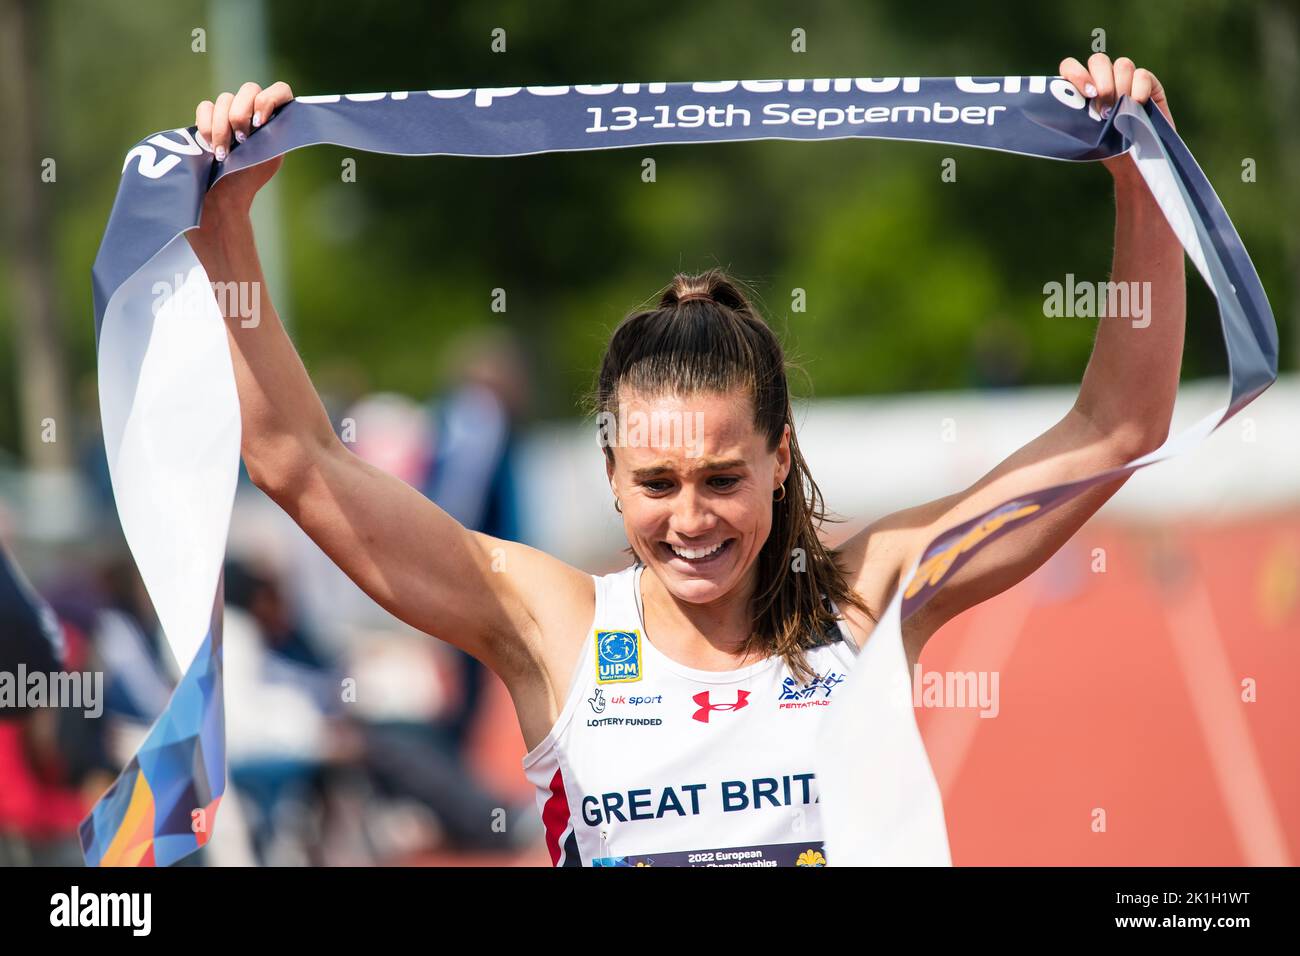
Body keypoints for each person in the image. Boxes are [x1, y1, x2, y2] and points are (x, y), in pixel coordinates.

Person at [186, 54, 1182, 866]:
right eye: (655, 483)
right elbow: (296, 458)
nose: (690, 518)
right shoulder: (552, 626)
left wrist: (1139, 186)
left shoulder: (866, 602)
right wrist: (226, 226)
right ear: (612, 472)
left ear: (779, 457)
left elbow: (1115, 429)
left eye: (721, 477)